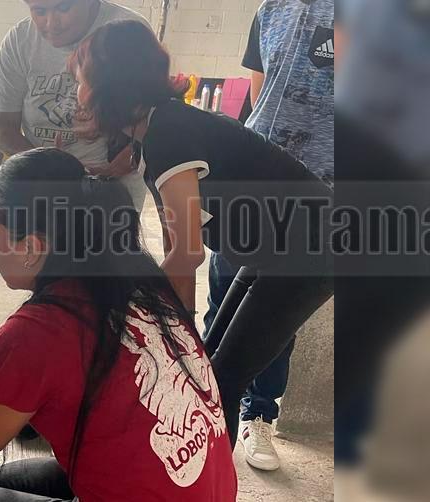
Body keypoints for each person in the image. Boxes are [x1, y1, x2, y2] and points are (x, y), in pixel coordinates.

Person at [0, 148, 237, 501]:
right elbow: (78, 401)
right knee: (5, 478)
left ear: (31, 247)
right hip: (205, 490)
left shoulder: (38, 330)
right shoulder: (144, 285)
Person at [69, 19, 334, 443]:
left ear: (112, 87)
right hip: (278, 250)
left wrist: (174, 334)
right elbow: (180, 245)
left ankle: (207, 486)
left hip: (312, 251)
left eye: (82, 83)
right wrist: (182, 334)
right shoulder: (151, 132)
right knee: (207, 365)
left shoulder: (168, 135)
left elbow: (186, 254)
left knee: (221, 379)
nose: (77, 96)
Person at [202, 0, 335, 471]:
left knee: (272, 323)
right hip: (252, 183)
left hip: (319, 196)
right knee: (222, 303)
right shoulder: (273, 7)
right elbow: (261, 91)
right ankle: (198, 407)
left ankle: (258, 414)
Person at [0, 0, 149, 209]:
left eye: (63, 8)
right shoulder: (19, 41)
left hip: (113, 192)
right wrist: (51, 166)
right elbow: (2, 130)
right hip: (44, 186)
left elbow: (155, 119)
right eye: (39, 12)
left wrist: (133, 154)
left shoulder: (129, 32)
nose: (51, 23)